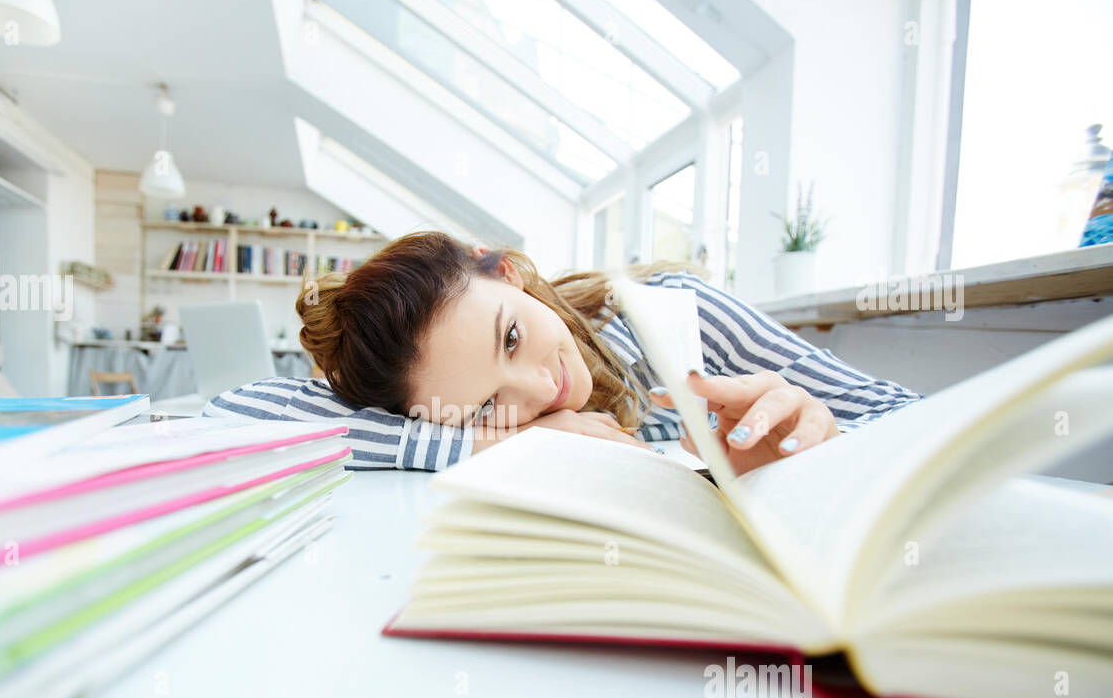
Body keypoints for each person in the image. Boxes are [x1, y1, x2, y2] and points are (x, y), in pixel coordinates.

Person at [203, 231, 921, 472]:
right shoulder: (482, 435)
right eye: (488, 404)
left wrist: (820, 444)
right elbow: (231, 420)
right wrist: (483, 449)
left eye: (511, 336)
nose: (538, 391)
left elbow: (909, 417)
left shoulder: (675, 313)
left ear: (506, 271)